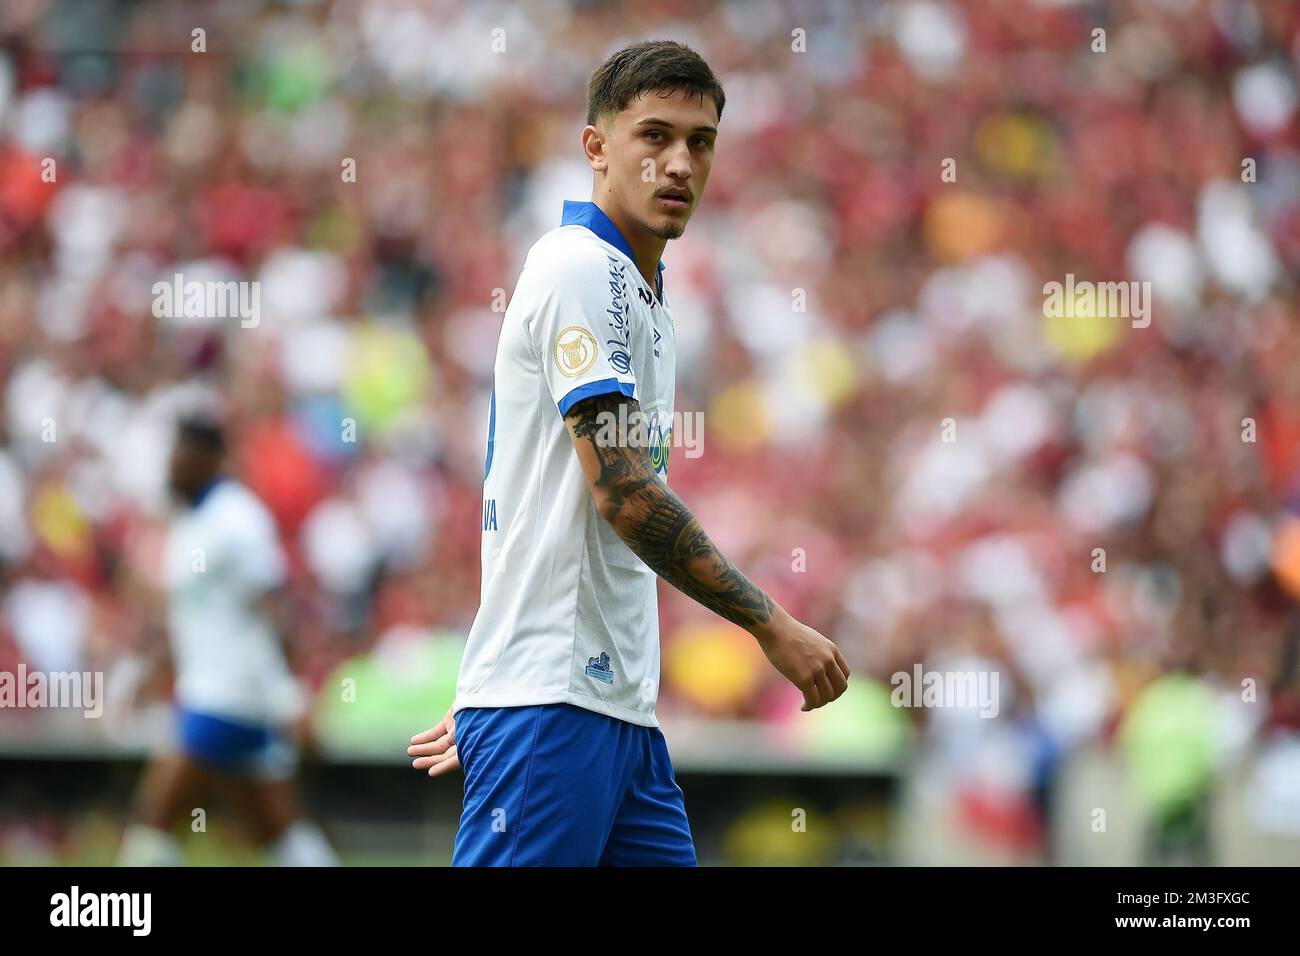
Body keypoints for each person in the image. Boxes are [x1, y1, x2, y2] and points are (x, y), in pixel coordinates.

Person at [409, 39, 849, 866]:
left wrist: (500, 690)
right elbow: (621, 492)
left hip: (608, 712)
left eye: (700, 141)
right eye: (654, 136)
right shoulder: (581, 269)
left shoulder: (642, 293)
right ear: (596, 147)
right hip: (555, 706)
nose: (679, 162)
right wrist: (770, 624)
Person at [117, 416, 337, 866]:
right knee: (274, 826)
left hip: (226, 698)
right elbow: (197, 618)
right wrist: (152, 674)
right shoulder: (190, 521)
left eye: (183, 453)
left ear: (210, 458)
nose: (172, 465)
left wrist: (291, 696)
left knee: (154, 816)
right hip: (221, 695)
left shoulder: (238, 519)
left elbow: (273, 609)